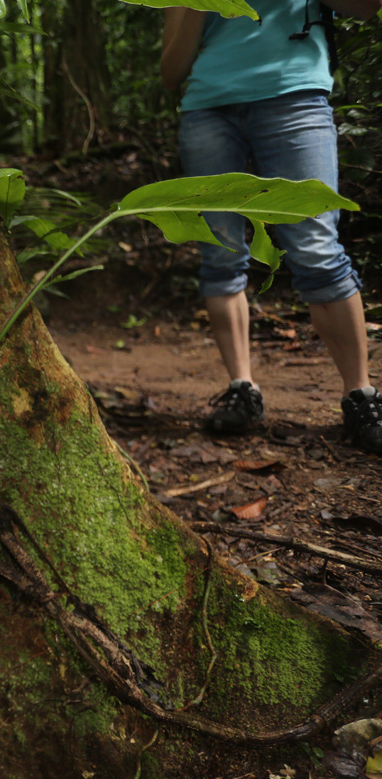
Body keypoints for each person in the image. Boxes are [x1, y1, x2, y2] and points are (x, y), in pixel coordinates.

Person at [160, 0, 382, 454]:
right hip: (208, 109)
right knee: (219, 253)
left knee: (317, 249)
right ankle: (243, 388)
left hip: (295, 98)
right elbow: (170, 70)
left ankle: (361, 396)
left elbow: (366, 8)